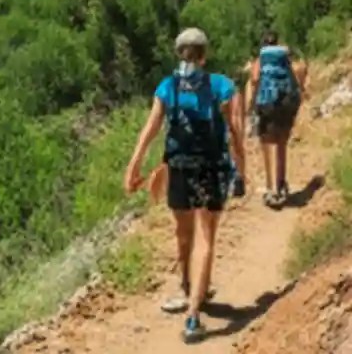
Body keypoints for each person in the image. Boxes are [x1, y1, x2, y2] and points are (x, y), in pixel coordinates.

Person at [123, 28, 245, 344]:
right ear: (204, 54)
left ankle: (188, 288)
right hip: (211, 169)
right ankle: (193, 315)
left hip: (177, 168)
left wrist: (134, 164)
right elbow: (235, 132)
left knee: (183, 233)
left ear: (179, 53)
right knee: (206, 238)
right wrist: (241, 171)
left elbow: (150, 130)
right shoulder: (222, 85)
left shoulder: (167, 86)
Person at [245, 31, 307, 208]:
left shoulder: (261, 58)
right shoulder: (285, 57)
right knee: (281, 143)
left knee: (268, 145)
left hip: (267, 103)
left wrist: (252, 102)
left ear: (263, 44)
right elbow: (298, 73)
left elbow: (255, 78)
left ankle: (272, 190)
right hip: (286, 102)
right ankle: (281, 184)